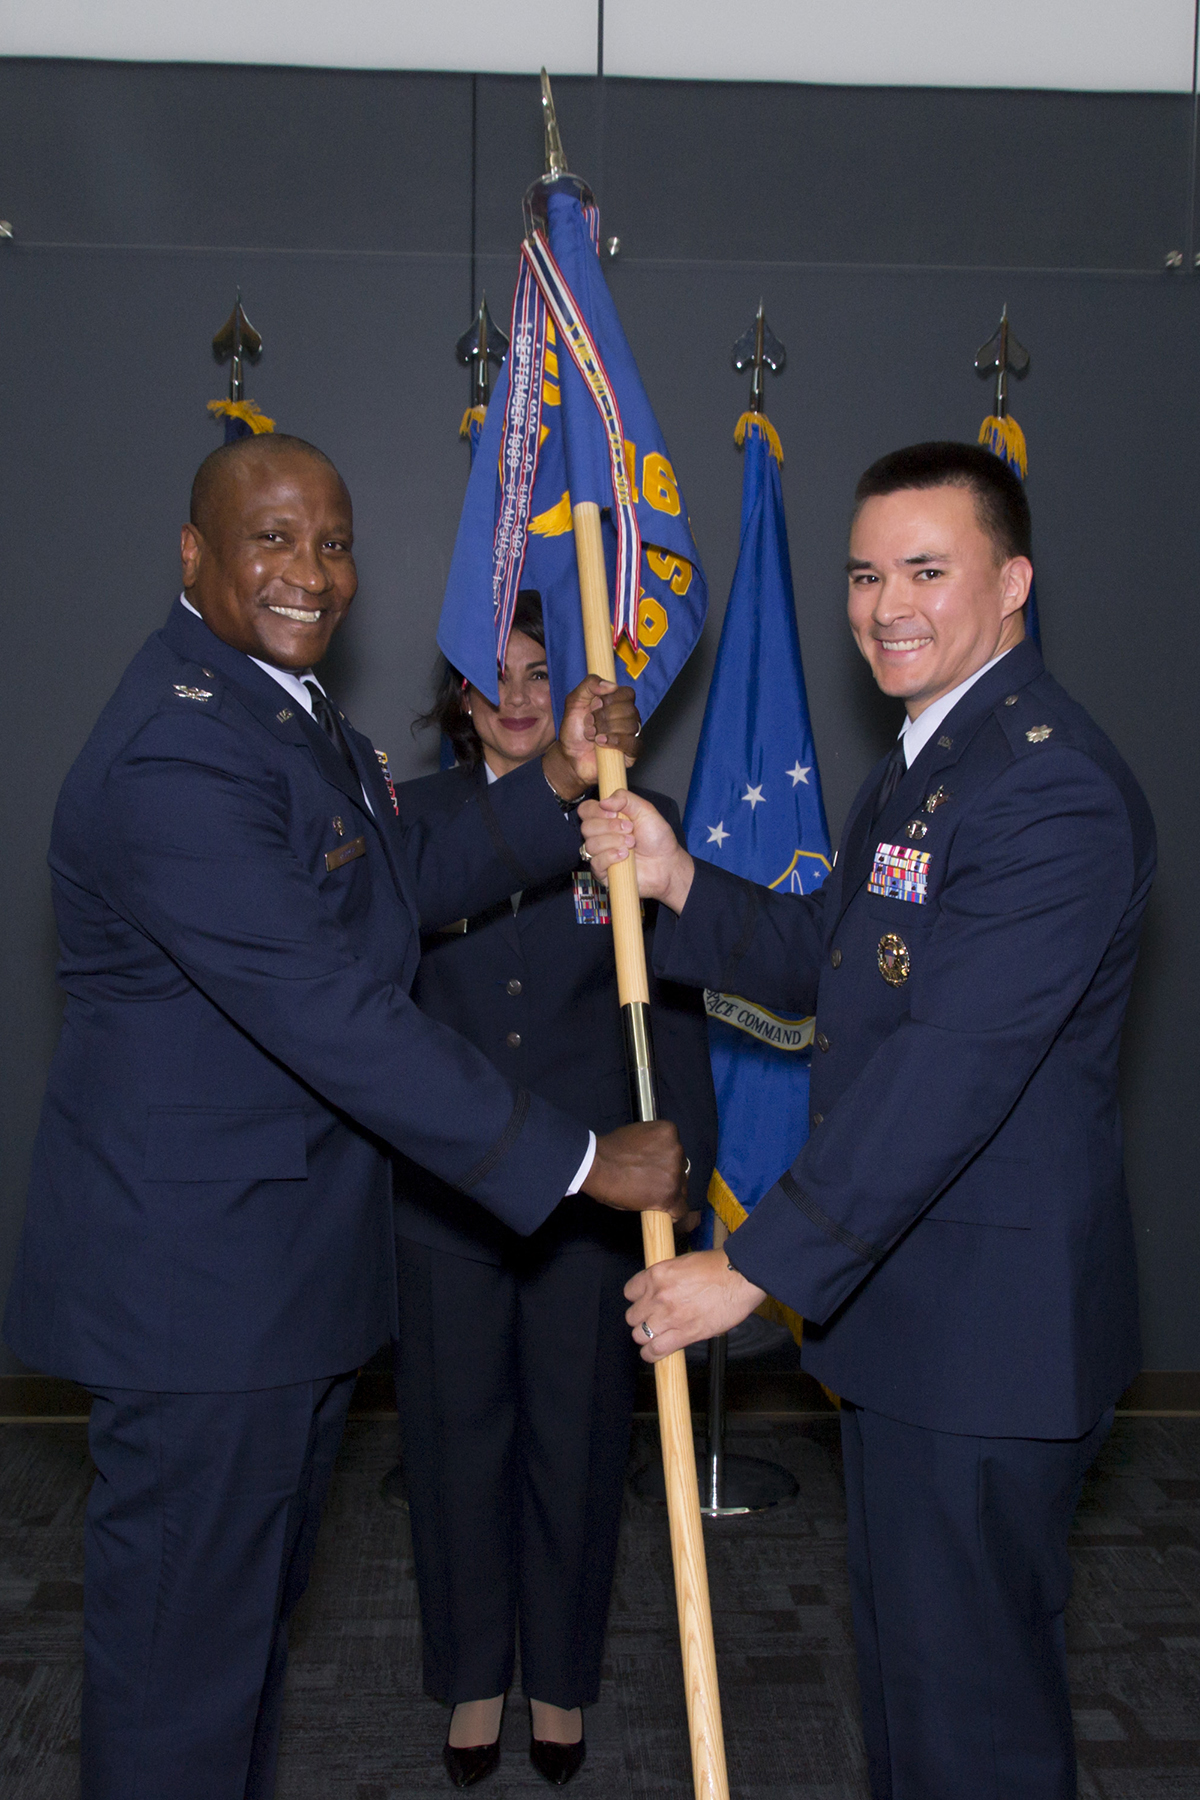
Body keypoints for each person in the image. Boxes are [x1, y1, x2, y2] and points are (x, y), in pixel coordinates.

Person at [3, 433, 688, 1800]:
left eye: (331, 540)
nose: (310, 571)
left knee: (237, 1662)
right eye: (269, 538)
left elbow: (397, 874)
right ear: (191, 555)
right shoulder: (177, 756)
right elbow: (332, 1010)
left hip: (272, 1292)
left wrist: (553, 785)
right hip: (200, 1306)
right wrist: (576, 1160)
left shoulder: (282, 715)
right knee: (179, 1683)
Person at [580, 441, 1156, 1800]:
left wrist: (754, 1265)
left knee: (973, 1727)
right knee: (911, 1693)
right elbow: (834, 958)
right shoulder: (928, 766)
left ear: (1013, 582)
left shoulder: (1047, 788)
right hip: (917, 1330)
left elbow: (950, 1068)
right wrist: (675, 883)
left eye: (926, 569)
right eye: (863, 573)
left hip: (991, 1340)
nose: (886, 603)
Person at [391, 592, 718, 1788]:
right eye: (496, 676)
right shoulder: (409, 826)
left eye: (542, 672)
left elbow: (668, 1017)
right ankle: (475, 1679)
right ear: (458, 698)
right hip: (448, 1199)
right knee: (455, 1448)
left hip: (596, 1195)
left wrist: (688, 1171)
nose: (520, 696)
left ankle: (563, 1686)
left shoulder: (639, 819)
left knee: (577, 1450)